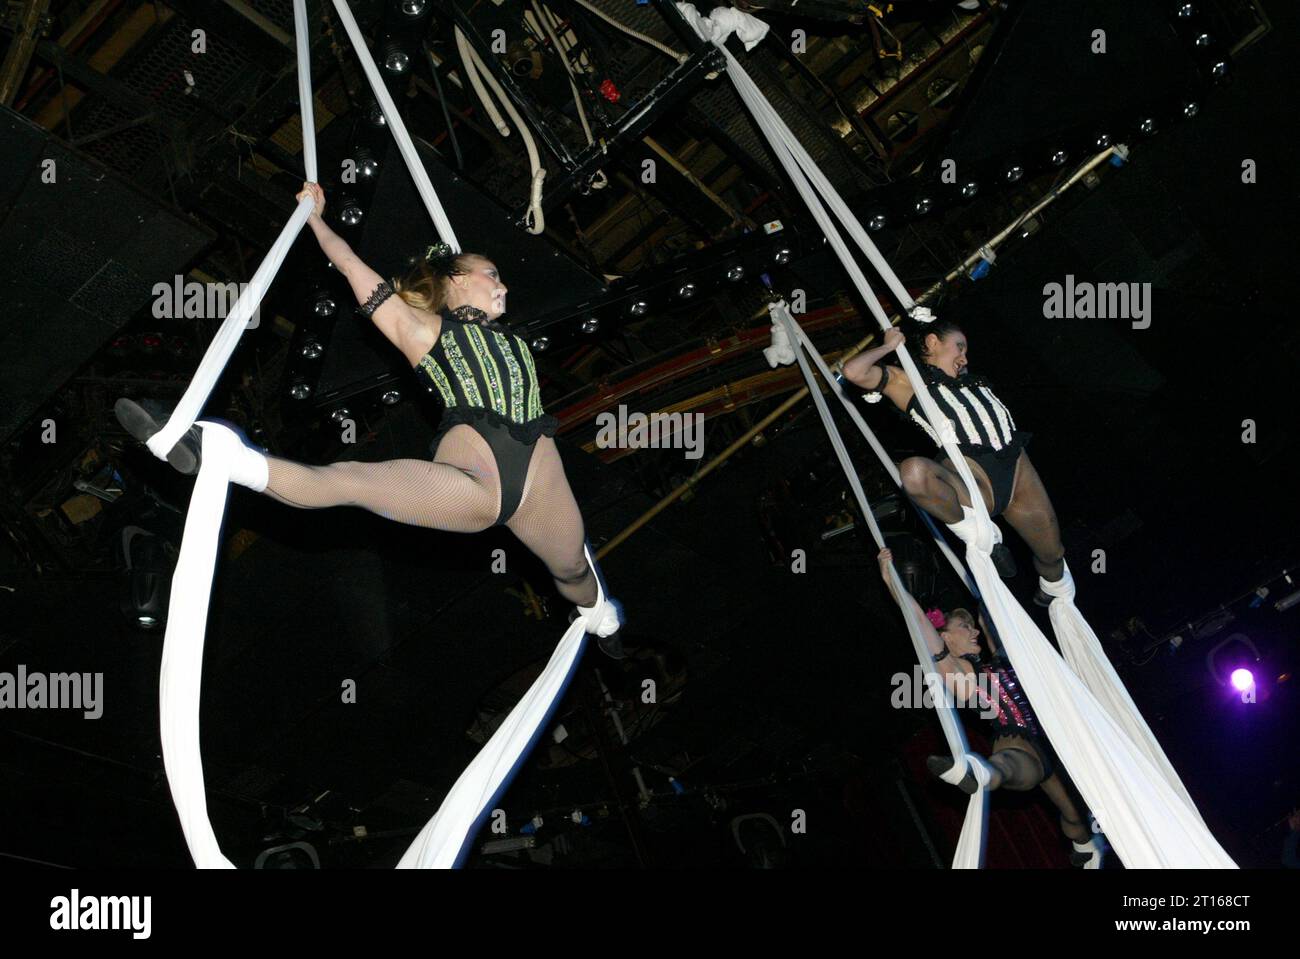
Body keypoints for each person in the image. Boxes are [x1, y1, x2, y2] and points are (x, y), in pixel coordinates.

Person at [114, 180, 620, 638]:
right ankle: (221, 454)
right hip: (476, 484)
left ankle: (599, 621)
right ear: (458, 280)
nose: (503, 284)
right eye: (493, 274)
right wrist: (315, 219)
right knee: (351, 480)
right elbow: (353, 268)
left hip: (541, 484)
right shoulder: (425, 331)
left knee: (573, 570)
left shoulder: (509, 338)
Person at [878, 546, 1103, 866]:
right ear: (945, 636)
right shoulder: (958, 673)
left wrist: (980, 562)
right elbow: (920, 625)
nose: (972, 632)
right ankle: (979, 772)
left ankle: (1086, 845)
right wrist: (894, 584)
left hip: (1054, 739)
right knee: (1012, 767)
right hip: (1017, 743)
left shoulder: (994, 659)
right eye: (963, 627)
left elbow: (988, 616)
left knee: (1074, 815)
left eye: (971, 627)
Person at [842, 321, 1066, 604]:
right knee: (913, 472)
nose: (964, 357)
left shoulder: (970, 379)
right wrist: (888, 346)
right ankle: (975, 531)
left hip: (1019, 471)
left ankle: (1056, 592)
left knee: (1052, 556)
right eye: (959, 347)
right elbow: (852, 371)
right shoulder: (907, 381)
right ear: (933, 342)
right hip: (972, 477)